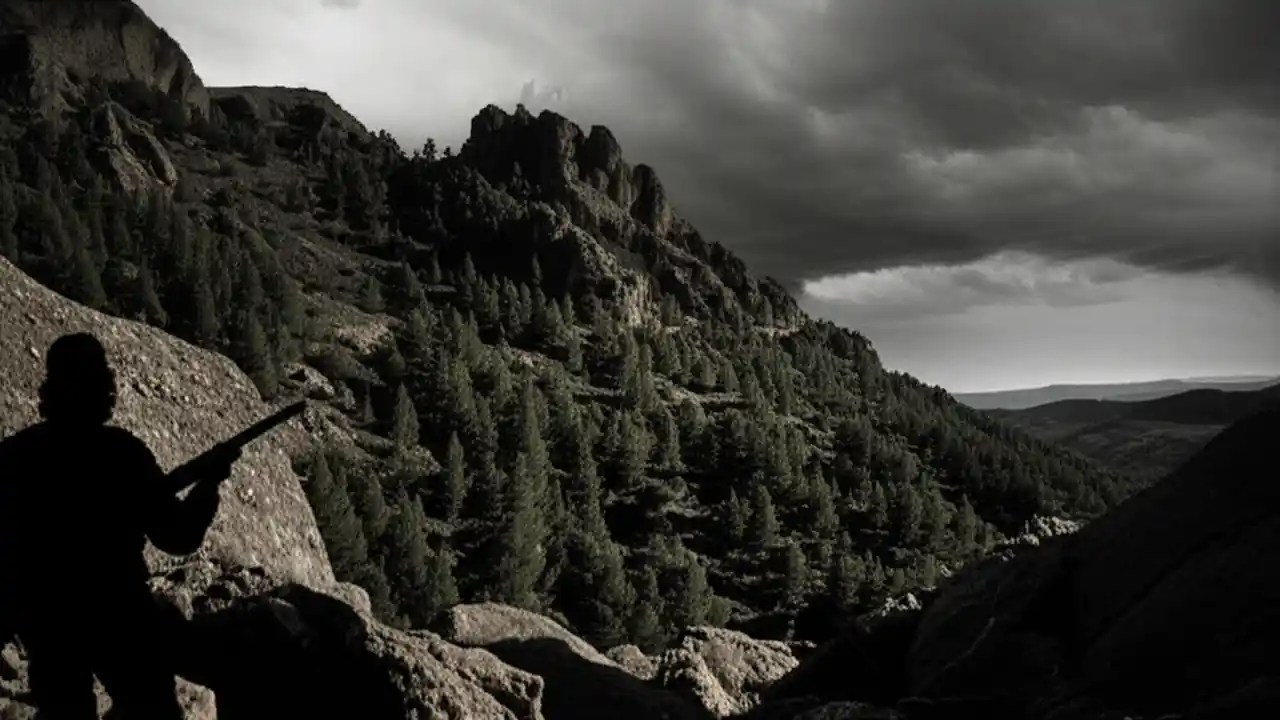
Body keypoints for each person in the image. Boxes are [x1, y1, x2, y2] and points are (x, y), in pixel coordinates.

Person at [0, 332, 240, 719]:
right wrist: (208, 485)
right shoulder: (121, 453)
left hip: (46, 617)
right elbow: (177, 536)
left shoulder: (14, 454)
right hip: (118, 610)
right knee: (151, 709)